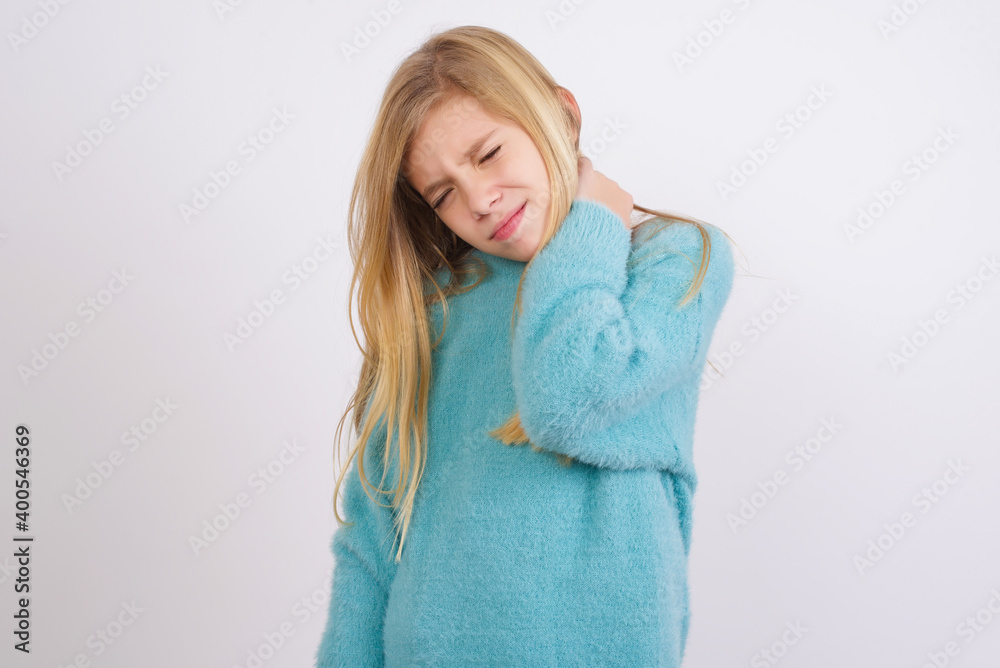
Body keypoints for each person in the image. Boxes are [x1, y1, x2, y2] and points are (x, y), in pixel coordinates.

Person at [315, 25, 739, 668]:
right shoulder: (436, 307)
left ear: (562, 114)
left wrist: (593, 223)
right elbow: (373, 538)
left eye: (488, 154)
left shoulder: (675, 260)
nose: (480, 201)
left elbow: (569, 399)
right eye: (443, 194)